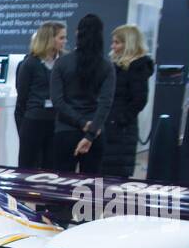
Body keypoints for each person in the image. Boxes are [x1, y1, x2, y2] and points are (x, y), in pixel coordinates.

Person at [50, 13, 114, 174]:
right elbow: (106, 103)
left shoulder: (62, 63)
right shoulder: (106, 66)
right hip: (95, 132)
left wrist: (81, 122)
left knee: (61, 185)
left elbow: (57, 101)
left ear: (78, 33)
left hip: (65, 130)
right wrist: (91, 131)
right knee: (92, 189)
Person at [102, 24, 155, 179]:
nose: (113, 46)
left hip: (121, 131)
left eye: (117, 42)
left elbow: (139, 99)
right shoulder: (115, 65)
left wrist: (118, 120)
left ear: (129, 43)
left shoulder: (137, 67)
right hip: (110, 126)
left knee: (115, 177)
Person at [14, 20, 66, 169]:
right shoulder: (29, 63)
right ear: (49, 39)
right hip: (34, 121)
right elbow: (22, 97)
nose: (65, 41)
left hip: (57, 121)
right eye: (61, 38)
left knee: (52, 165)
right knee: (28, 166)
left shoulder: (63, 62)